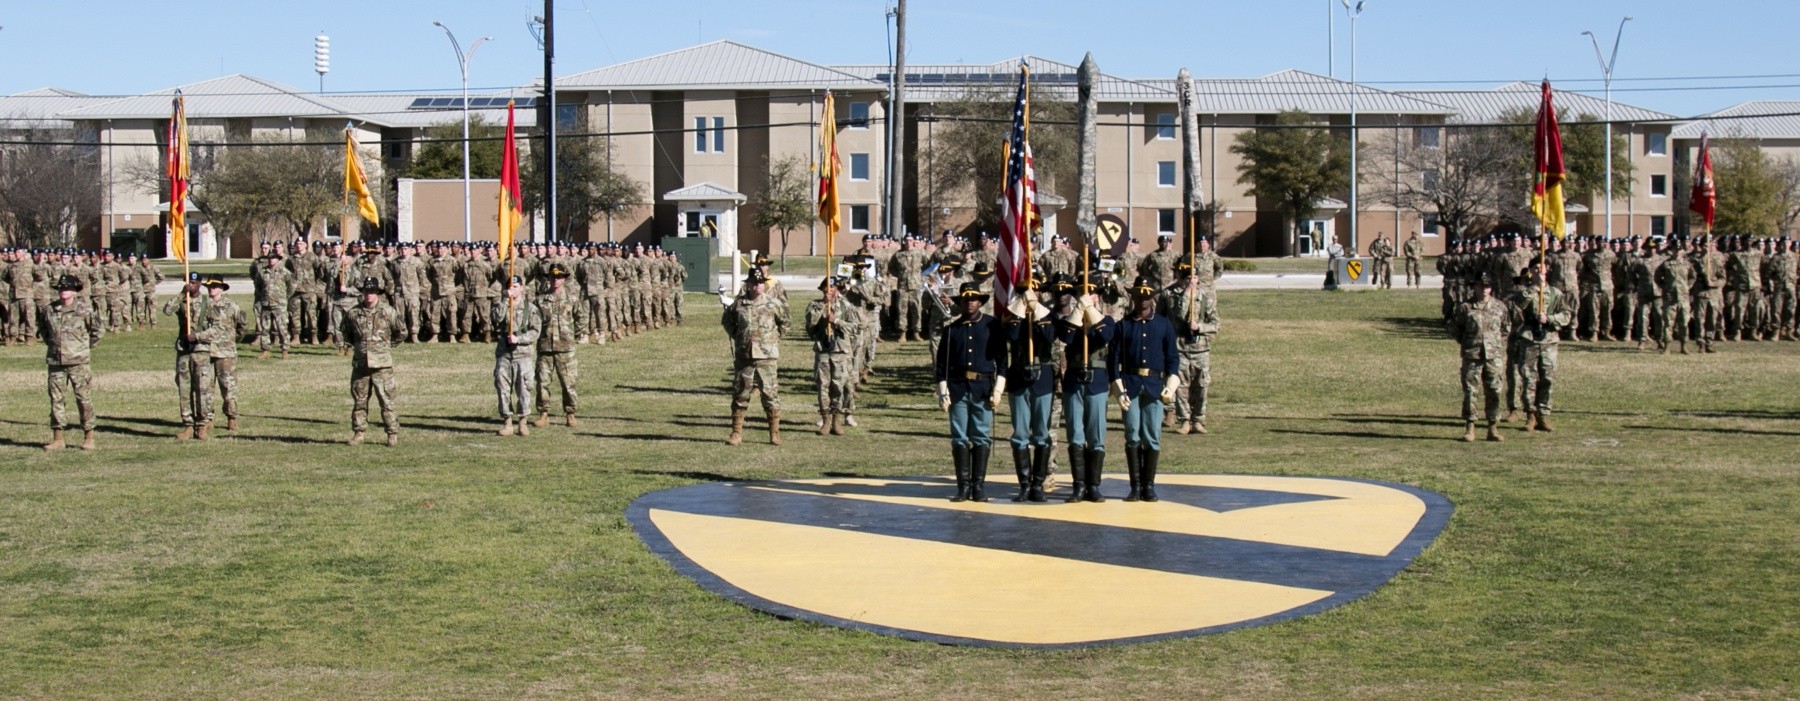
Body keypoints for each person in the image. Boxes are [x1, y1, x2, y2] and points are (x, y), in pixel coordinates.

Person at [935, 281, 1006, 502]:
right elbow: (941, 366)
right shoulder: (951, 330)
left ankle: (979, 486)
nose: (970, 303)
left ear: (980, 302)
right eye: (966, 299)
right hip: (957, 389)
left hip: (983, 389)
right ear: (961, 302)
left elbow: (1002, 361)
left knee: (981, 436)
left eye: (973, 299)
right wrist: (943, 392)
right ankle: (963, 486)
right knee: (959, 437)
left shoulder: (992, 326)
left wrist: (998, 390)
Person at [1111, 277, 1180, 502]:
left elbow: (1172, 358)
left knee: (1152, 436)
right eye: (1139, 296)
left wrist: (1170, 385)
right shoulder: (1123, 325)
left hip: (1153, 386)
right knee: (1132, 435)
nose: (1143, 301)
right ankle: (1135, 486)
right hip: (1130, 385)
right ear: (1133, 297)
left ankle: (1149, 486)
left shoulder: (1163, 324)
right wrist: (1118, 389)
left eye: (1147, 296)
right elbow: (1114, 362)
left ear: (1152, 298)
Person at [1057, 274, 1115, 502]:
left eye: (1091, 294)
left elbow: (1106, 335)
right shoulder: (1069, 320)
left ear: (1098, 298)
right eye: (1083, 294)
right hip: (1073, 381)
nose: (1087, 297)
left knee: (1096, 434)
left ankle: (1094, 485)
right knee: (1075, 434)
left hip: (1097, 382)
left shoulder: (1107, 320)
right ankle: (1079, 485)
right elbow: (1066, 337)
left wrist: (1090, 312)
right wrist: (1078, 312)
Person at [1001, 274, 1057, 502]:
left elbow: (1049, 336)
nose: (1029, 295)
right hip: (1019, 378)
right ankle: (1024, 484)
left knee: (1042, 433)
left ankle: (1038, 484)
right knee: (1021, 433)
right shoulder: (1014, 317)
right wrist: (1020, 308)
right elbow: (1011, 335)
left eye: (1033, 291)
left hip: (1042, 378)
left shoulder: (1047, 316)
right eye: (1024, 291)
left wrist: (1036, 309)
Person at [722, 268, 789, 446]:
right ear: (748, 285)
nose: (757, 286)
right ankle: (736, 433)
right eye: (753, 282)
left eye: (760, 283)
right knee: (741, 394)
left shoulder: (773, 303)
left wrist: (773, 340)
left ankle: (774, 433)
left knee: (770, 394)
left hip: (767, 357)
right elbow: (727, 321)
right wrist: (738, 336)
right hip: (745, 356)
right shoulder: (739, 304)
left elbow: (785, 323)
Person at [39, 274, 103, 451]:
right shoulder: (49, 310)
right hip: (56, 361)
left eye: (67, 288)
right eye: (61, 288)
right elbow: (44, 330)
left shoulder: (84, 309)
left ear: (75, 291)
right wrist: (54, 346)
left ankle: (89, 436)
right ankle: (58, 438)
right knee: (56, 400)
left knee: (83, 399)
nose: (63, 291)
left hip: (78, 362)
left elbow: (97, 331)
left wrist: (83, 347)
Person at [342, 276, 405, 446]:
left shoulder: (388, 311)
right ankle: (359, 433)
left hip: (382, 365)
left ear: (378, 293)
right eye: (366, 291)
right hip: (361, 365)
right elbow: (345, 333)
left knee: (387, 400)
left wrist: (385, 347)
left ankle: (392, 433)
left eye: (372, 291)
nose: (369, 294)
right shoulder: (353, 313)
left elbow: (401, 332)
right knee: (359, 401)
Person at [1511, 262, 1573, 432]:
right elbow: (1519, 304)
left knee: (1547, 377)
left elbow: (1567, 314)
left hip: (1549, 340)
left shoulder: (1555, 293)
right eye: (1536, 269)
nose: (1540, 271)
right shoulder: (1525, 291)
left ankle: (1543, 415)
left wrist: (1550, 319)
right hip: (1529, 339)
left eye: (1542, 268)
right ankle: (1530, 414)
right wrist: (1534, 288)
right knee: (1528, 377)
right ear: (1531, 272)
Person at [1160, 261, 1220, 435]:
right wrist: (1187, 294)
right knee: (1180, 385)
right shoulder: (1170, 294)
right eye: (1187, 277)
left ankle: (1198, 419)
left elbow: (1215, 323)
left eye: (1193, 277)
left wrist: (1200, 327)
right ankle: (1184, 420)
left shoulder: (1204, 297)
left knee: (1202, 385)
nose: (1190, 280)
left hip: (1200, 348)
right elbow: (1169, 315)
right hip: (1179, 347)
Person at [1451, 275, 1508, 442]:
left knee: (1494, 391)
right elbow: (1455, 329)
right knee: (1470, 392)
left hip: (1493, 356)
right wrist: (1469, 343)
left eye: (1488, 286)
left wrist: (1494, 344)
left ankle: (1493, 428)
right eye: (1481, 286)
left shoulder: (1499, 307)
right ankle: (1470, 427)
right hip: (1472, 355)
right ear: (1474, 287)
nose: (1484, 289)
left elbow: (1506, 328)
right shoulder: (1466, 308)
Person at [805, 276, 862, 436]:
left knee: (838, 385)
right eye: (826, 289)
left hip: (840, 351)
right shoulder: (815, 305)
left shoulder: (846, 306)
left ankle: (836, 418)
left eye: (831, 288)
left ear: (837, 289)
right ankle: (825, 418)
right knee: (823, 386)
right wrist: (823, 305)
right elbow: (810, 323)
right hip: (823, 350)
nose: (828, 291)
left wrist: (837, 321)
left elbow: (856, 328)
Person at [533, 265, 587, 428]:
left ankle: (570, 413)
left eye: (559, 277)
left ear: (564, 279)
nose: (555, 280)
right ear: (548, 279)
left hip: (565, 347)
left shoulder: (572, 298)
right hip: (545, 348)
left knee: (568, 383)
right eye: (552, 277)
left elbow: (581, 316)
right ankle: (543, 414)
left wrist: (578, 334)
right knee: (542, 382)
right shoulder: (540, 300)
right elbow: (533, 321)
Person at [163, 274, 213, 440]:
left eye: (194, 283)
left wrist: (198, 336)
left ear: (199, 284)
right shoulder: (182, 301)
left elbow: (218, 329)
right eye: (188, 283)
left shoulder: (209, 303)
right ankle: (188, 424)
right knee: (184, 389)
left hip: (201, 350)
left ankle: (202, 424)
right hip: (184, 350)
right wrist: (180, 294)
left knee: (202, 388)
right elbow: (167, 310)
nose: (190, 285)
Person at [492, 275, 541, 436]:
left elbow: (535, 331)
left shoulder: (530, 308)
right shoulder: (502, 305)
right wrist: (506, 301)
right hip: (504, 353)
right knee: (502, 386)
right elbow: (496, 318)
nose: (513, 289)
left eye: (516, 286)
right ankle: (507, 421)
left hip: (522, 354)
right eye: (510, 287)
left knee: (523, 388)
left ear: (522, 287)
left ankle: (522, 421)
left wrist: (519, 339)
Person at [199, 275, 249, 433]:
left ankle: (231, 417)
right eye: (209, 286)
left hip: (225, 353)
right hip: (205, 351)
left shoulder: (231, 305)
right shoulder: (202, 305)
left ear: (221, 288)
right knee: (205, 388)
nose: (211, 289)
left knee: (228, 388)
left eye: (214, 286)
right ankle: (207, 418)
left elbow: (242, 325)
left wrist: (232, 340)